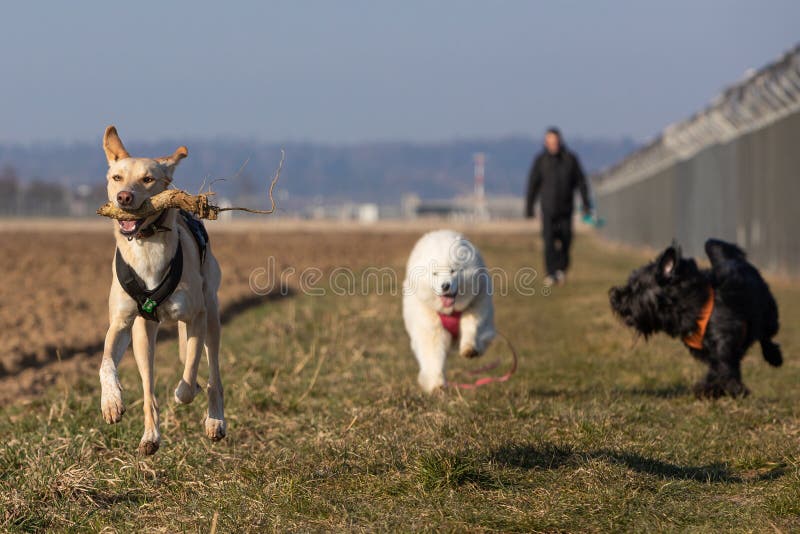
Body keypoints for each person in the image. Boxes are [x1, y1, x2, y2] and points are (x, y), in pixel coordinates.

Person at [525, 127, 593, 286]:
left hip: (566, 209)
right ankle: (550, 273)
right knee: (548, 241)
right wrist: (529, 207)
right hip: (548, 209)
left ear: (560, 141)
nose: (553, 145)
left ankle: (561, 270)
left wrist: (586, 204)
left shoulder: (570, 159)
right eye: (549, 142)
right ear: (545, 143)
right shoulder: (541, 160)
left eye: (555, 142)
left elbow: (581, 183)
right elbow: (532, 184)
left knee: (566, 239)